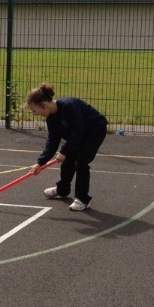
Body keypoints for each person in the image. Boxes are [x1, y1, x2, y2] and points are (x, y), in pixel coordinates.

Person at [25, 83, 108, 211]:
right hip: (79, 134)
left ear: (44, 105)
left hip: (94, 130)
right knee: (68, 161)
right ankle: (62, 190)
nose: (34, 114)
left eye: (34, 111)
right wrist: (40, 162)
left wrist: (64, 151)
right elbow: (52, 142)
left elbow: (78, 132)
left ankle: (83, 200)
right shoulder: (51, 119)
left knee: (81, 161)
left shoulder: (69, 106)